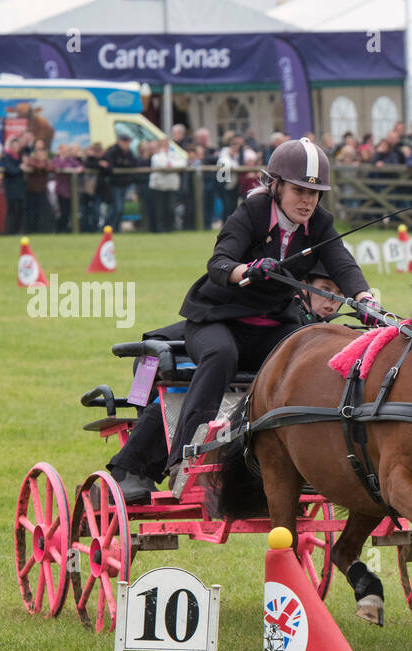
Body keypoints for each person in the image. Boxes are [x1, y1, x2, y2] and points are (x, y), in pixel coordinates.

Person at [106, 138, 376, 502]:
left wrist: (365, 301)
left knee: (315, 354)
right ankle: (184, 457)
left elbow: (344, 265)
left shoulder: (321, 224)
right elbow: (218, 263)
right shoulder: (251, 212)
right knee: (221, 356)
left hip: (274, 326)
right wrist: (246, 270)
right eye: (299, 190)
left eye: (315, 193)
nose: (308, 200)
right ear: (276, 185)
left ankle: (303, 459)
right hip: (217, 320)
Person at [103, 133, 136, 230]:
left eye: (128, 142)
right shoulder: (112, 151)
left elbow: (133, 164)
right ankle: (108, 227)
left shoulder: (129, 152)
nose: (127, 144)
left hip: (124, 184)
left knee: (119, 209)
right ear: (120, 141)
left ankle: (115, 228)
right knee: (116, 208)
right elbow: (110, 167)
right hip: (114, 184)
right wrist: (124, 164)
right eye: (125, 141)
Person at [0, 136, 28, 234]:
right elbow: (10, 170)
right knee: (12, 210)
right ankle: (10, 231)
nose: (16, 148)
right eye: (14, 146)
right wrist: (20, 168)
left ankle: (18, 231)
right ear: (10, 147)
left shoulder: (20, 158)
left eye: (17, 146)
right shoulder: (6, 157)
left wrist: (21, 167)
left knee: (20, 210)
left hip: (20, 188)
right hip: (11, 188)